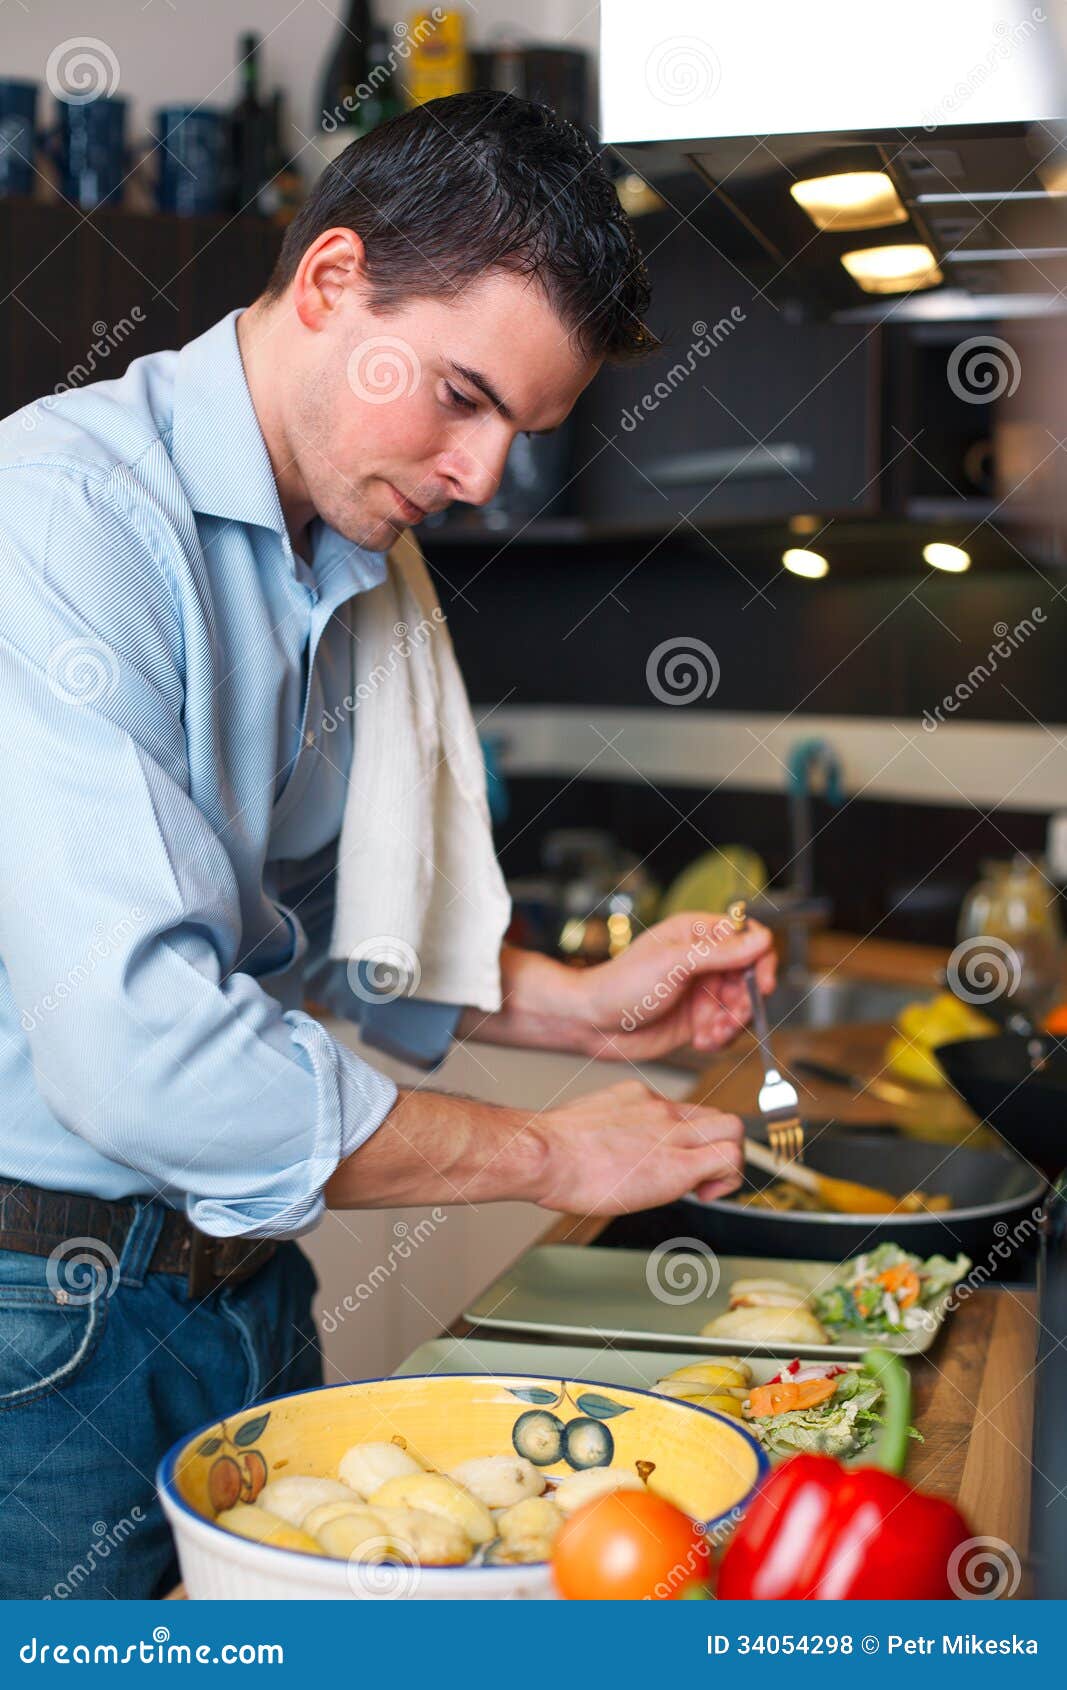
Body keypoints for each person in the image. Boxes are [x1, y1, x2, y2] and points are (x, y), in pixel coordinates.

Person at [0, 92, 773, 1598]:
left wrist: (571, 1001)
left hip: (240, 1292)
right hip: (44, 1331)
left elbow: (295, 919)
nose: (481, 477)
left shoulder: (343, 553)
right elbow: (144, 1047)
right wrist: (547, 1151)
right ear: (332, 280)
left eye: (521, 432)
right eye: (464, 398)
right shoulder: (61, 517)